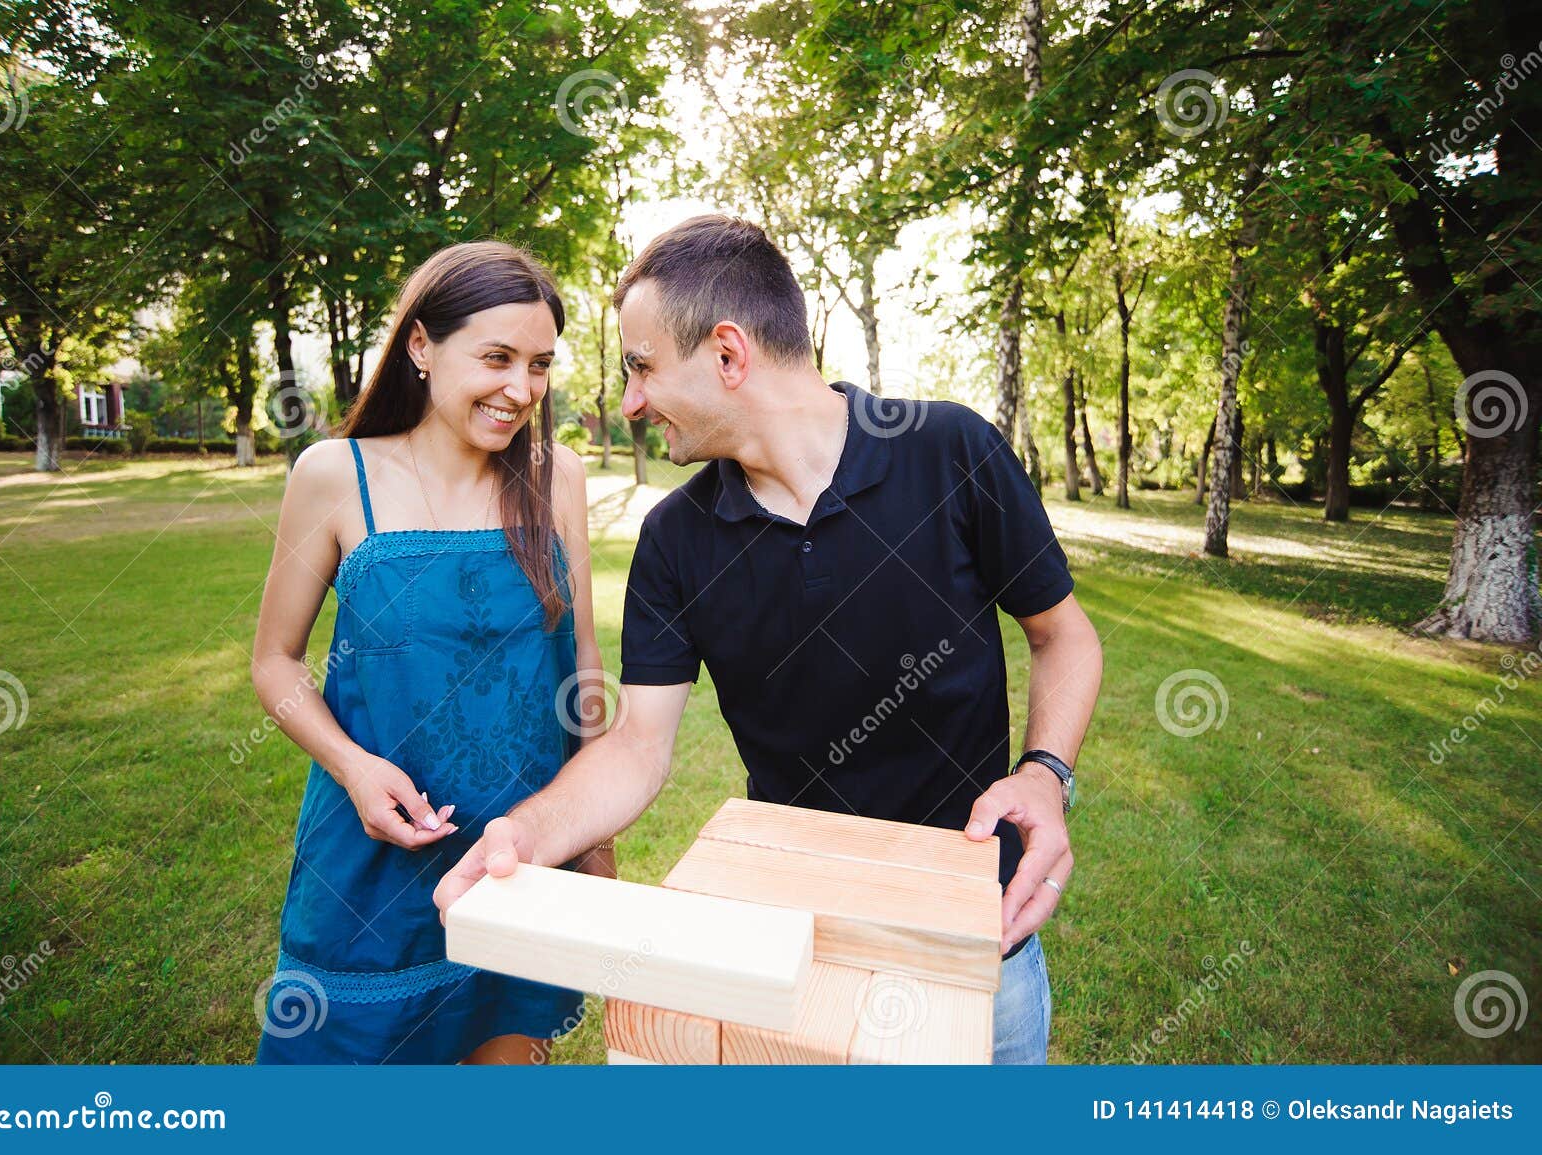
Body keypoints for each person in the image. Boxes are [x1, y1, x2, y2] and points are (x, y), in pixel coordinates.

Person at [434, 215, 1103, 1065]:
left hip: (978, 940)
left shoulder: (948, 450)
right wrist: (524, 835)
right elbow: (639, 745)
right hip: (790, 947)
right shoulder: (677, 538)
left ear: (727, 353)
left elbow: (1065, 637)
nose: (631, 401)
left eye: (641, 368)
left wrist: (1045, 777)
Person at [251, 241, 608, 1064]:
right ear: (421, 346)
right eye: (497, 357)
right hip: (371, 858)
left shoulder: (559, 479)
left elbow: (583, 663)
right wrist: (352, 765)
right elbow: (274, 660)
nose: (521, 389)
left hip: (519, 855)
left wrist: (590, 837)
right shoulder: (333, 473)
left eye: (541, 364)